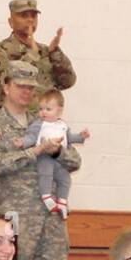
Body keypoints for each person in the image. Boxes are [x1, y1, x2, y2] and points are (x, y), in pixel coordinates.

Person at [0, 60, 77, 260]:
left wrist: (57, 151)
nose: (26, 92)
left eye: (31, 87)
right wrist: (33, 152)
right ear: (6, 87)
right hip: (16, 216)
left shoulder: (46, 122)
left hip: (50, 214)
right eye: (20, 85)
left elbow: (74, 161)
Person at [20, 87, 88, 217]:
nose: (43, 112)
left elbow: (69, 138)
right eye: (41, 109)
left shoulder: (62, 125)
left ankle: (62, 200)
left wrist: (81, 137)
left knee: (65, 178)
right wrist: (22, 142)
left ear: (59, 111)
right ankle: (46, 195)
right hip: (44, 156)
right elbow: (31, 138)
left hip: (57, 159)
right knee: (46, 174)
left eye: (48, 109)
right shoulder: (39, 124)